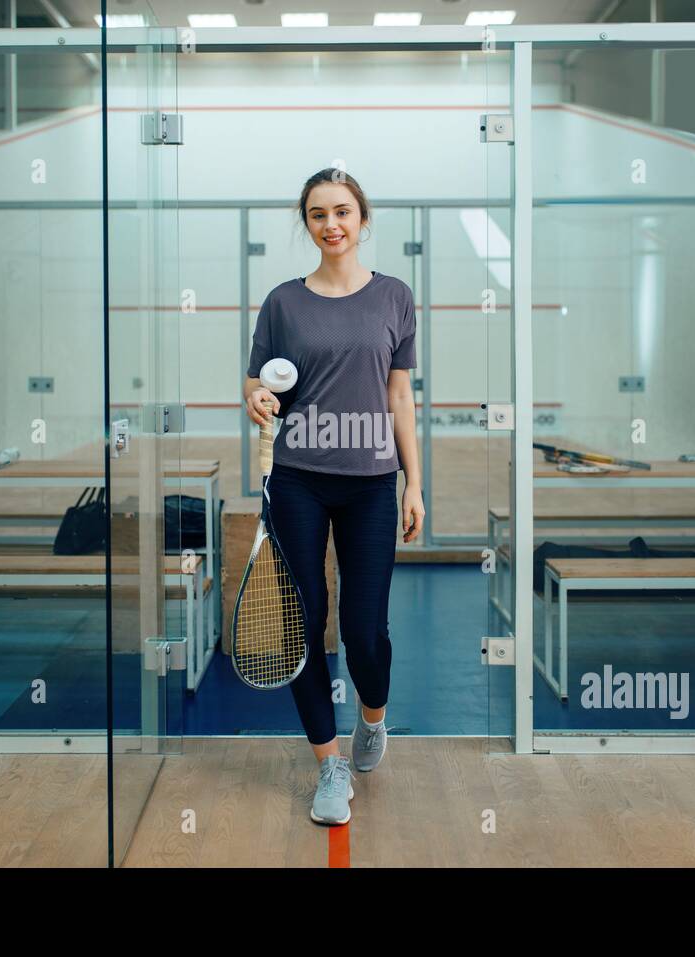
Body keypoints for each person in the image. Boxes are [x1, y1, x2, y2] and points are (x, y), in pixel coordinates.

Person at [242, 168, 424, 826]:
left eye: (343, 211)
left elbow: (399, 397)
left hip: (373, 483)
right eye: (318, 214)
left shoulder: (395, 297)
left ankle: (372, 720)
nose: (331, 223)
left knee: (364, 630)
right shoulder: (282, 303)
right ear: (308, 223)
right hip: (297, 478)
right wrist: (258, 398)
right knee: (303, 625)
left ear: (363, 219)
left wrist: (415, 484)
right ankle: (328, 765)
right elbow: (256, 385)